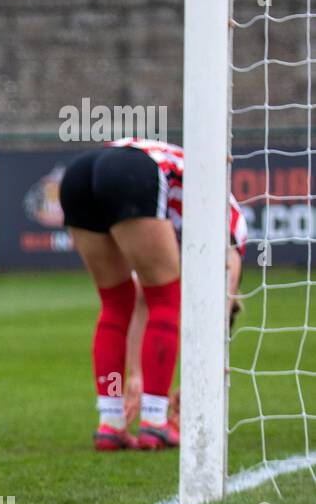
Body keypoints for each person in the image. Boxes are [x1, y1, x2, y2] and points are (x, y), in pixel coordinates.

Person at [59, 136, 247, 450]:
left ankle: (112, 422)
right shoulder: (235, 227)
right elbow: (220, 305)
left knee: (116, 303)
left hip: (81, 172)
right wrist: (197, 387)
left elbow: (140, 302)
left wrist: (137, 375)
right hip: (132, 170)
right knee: (166, 299)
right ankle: (155, 421)